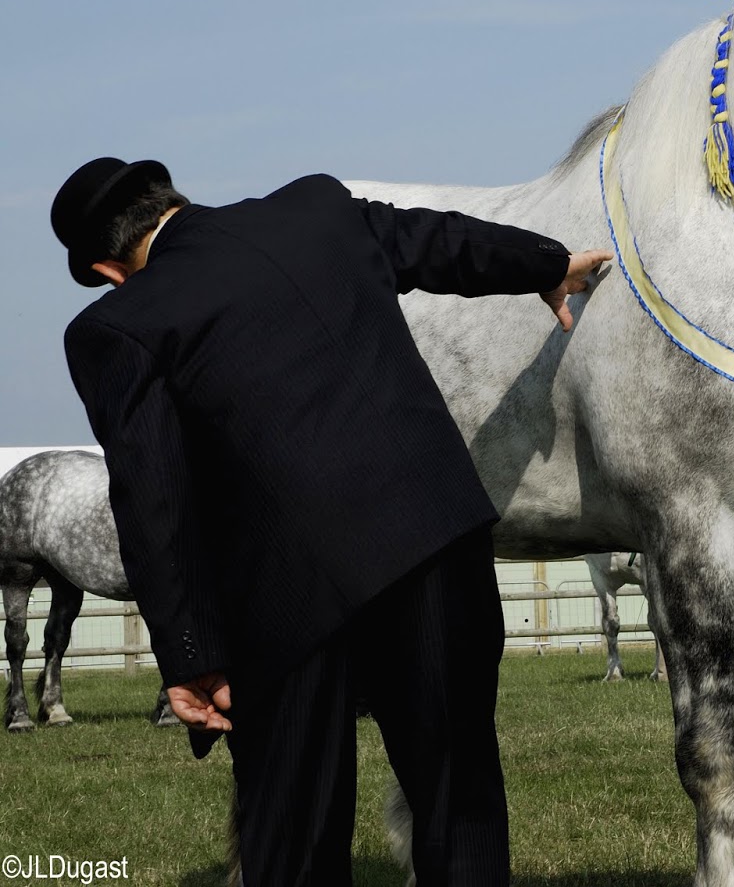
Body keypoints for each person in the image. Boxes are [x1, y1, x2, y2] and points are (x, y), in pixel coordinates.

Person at [51, 157, 612, 886]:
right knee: (459, 799)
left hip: (289, 597)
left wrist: (188, 654)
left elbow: (151, 499)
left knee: (295, 834)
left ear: (106, 267)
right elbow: (432, 241)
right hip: (435, 538)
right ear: (169, 196)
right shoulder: (316, 208)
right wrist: (545, 262)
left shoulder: (117, 325)